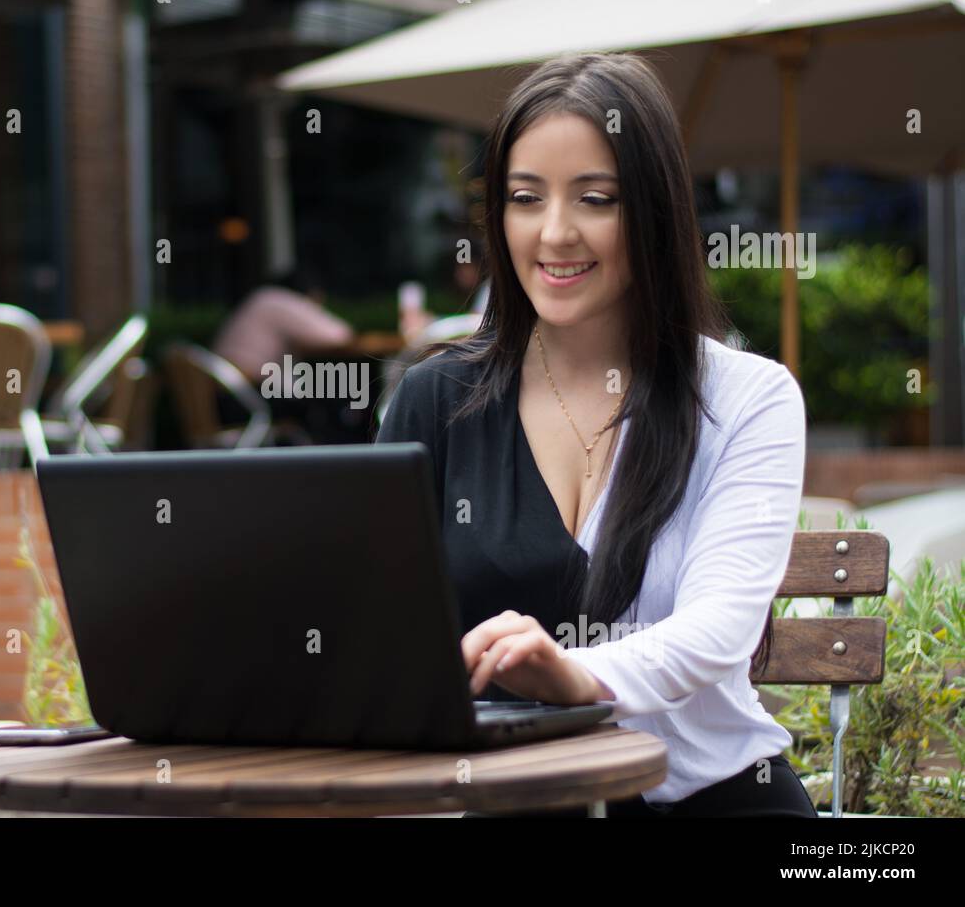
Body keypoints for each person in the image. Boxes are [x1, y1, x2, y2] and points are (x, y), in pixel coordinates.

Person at [375, 53, 816, 818]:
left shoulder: (748, 399)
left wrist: (577, 676)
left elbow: (718, 630)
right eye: (524, 197)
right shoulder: (435, 399)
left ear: (652, 212)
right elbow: (368, 624)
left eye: (595, 198)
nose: (554, 233)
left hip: (716, 802)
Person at [211, 269, 355, 386]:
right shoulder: (279, 301)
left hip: (227, 390)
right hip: (246, 393)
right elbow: (339, 335)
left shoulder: (262, 298)